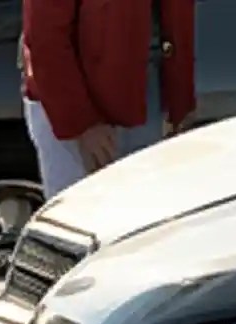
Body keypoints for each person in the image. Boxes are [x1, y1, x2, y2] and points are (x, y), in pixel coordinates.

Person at [21, 0, 197, 198]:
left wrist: (180, 103)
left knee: (146, 215)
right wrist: (83, 125)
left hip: (147, 93)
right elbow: (45, 38)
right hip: (77, 108)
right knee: (82, 216)